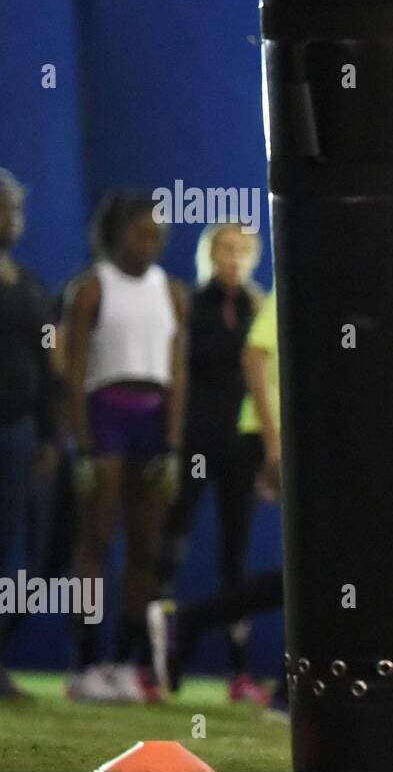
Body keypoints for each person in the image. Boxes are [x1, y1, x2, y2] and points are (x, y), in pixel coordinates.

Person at [63, 192, 188, 703]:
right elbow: (73, 377)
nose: (150, 242)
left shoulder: (174, 291)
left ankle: (126, 662)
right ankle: (88, 662)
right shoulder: (91, 289)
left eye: (157, 233)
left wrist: (175, 445)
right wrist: (85, 447)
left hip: (154, 420)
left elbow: (178, 371)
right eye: (140, 233)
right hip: (105, 414)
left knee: (145, 548)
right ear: (115, 233)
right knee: (95, 540)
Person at [149, 287, 285, 708]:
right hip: (266, 441)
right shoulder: (300, 282)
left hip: (304, 442)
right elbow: (255, 356)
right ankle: (284, 685)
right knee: (324, 570)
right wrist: (274, 445)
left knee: (323, 569)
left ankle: (193, 624)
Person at [0, 168, 60, 700]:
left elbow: (45, 365)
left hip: (18, 434)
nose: (13, 219)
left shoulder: (32, 284)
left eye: (17, 209)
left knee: (13, 554)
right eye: (5, 208)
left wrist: (47, 435)